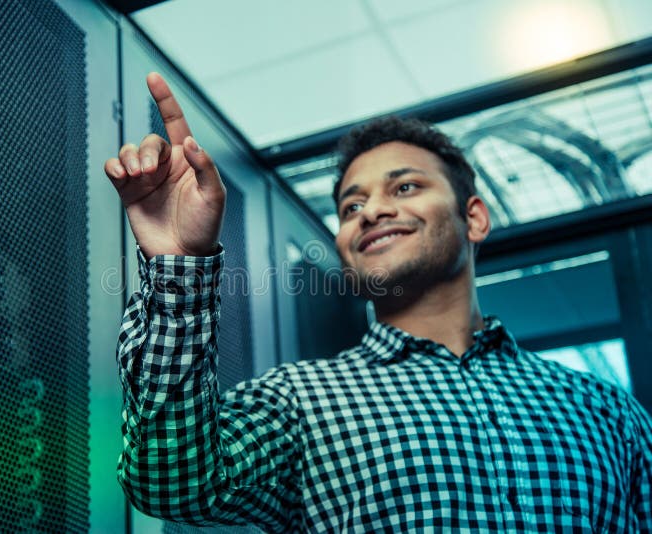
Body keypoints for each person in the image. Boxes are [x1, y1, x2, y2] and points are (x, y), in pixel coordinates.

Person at [104, 72, 652, 532]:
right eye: (350, 206)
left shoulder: (606, 410)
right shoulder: (299, 402)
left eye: (405, 187)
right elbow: (169, 479)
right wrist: (180, 263)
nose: (369, 212)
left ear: (474, 218)